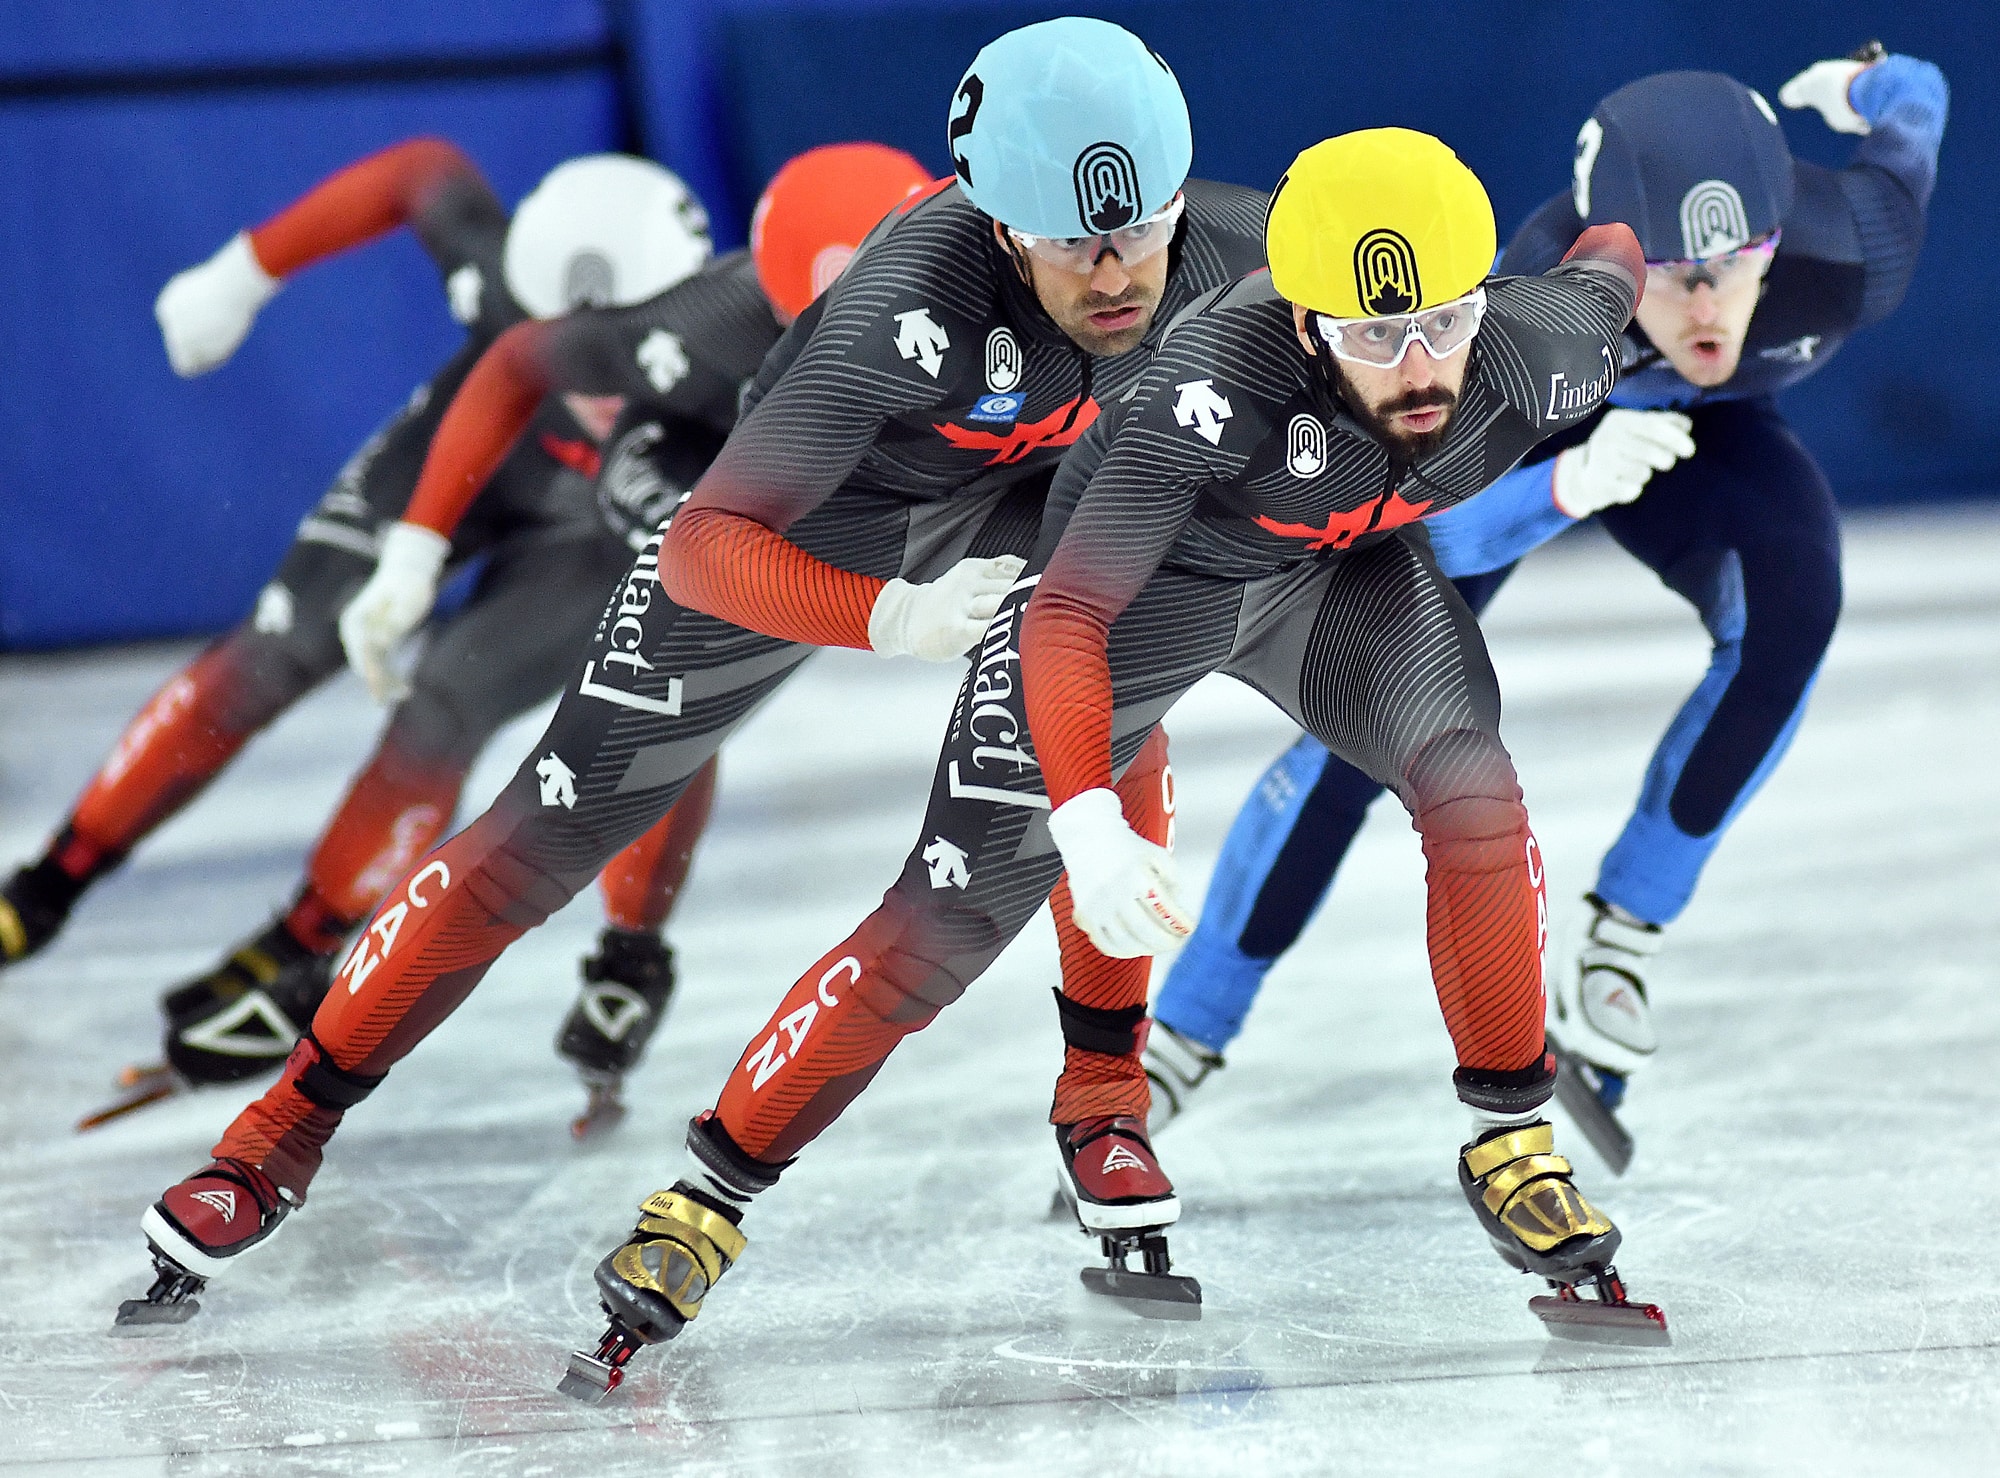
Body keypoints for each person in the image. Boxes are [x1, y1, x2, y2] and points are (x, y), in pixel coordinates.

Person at [122, 18, 1270, 1341]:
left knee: (1118, 700)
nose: (1123, 275)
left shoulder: (1236, 255)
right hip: (806, 519)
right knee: (533, 840)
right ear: (998, 226)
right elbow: (706, 547)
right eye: (1077, 245)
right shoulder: (889, 313)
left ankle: (1103, 1098)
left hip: (1017, 493)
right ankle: (274, 1134)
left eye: (1149, 232)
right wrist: (886, 615)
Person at [556, 124, 1666, 1394]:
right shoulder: (1195, 395)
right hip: (1138, 595)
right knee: (948, 916)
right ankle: (704, 1198)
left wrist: (1638, 214)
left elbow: (1612, 255)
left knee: (1473, 790)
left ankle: (1509, 1138)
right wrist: (1083, 815)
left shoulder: (1537, 350)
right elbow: (1071, 615)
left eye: (1441, 322)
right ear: (1304, 326)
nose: (1417, 368)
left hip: (1337, 586)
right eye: (1371, 336)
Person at [1144, 48, 1949, 1171]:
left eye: (1737, 263)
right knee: (1368, 714)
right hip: (1521, 444)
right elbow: (1409, 527)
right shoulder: (1524, 312)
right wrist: (1565, 481)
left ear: (1781, 234)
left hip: (1702, 441)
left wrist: (1863, 83)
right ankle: (1182, 1032)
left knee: (1792, 609)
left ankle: (1622, 937)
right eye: (1672, 274)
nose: (1710, 305)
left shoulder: (1852, 244)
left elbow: (1917, 108)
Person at [0, 140, 719, 1125]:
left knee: (448, 707)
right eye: (554, 339)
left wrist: (633, 940)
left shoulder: (735, 365)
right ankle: (46, 885)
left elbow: (687, 690)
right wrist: (240, 272)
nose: (584, 371)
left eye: (615, 350)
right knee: (273, 649)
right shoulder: (510, 280)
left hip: (594, 532)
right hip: (466, 457)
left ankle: (305, 942)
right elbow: (419, 170)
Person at [348, 141, 932, 1132]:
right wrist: (414, 547)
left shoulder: (999, 308)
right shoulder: (703, 324)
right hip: (696, 471)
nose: (845, 358)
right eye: (816, 335)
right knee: (675, 670)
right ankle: (630, 948)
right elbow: (516, 360)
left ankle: (629, 941)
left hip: (848, 490)